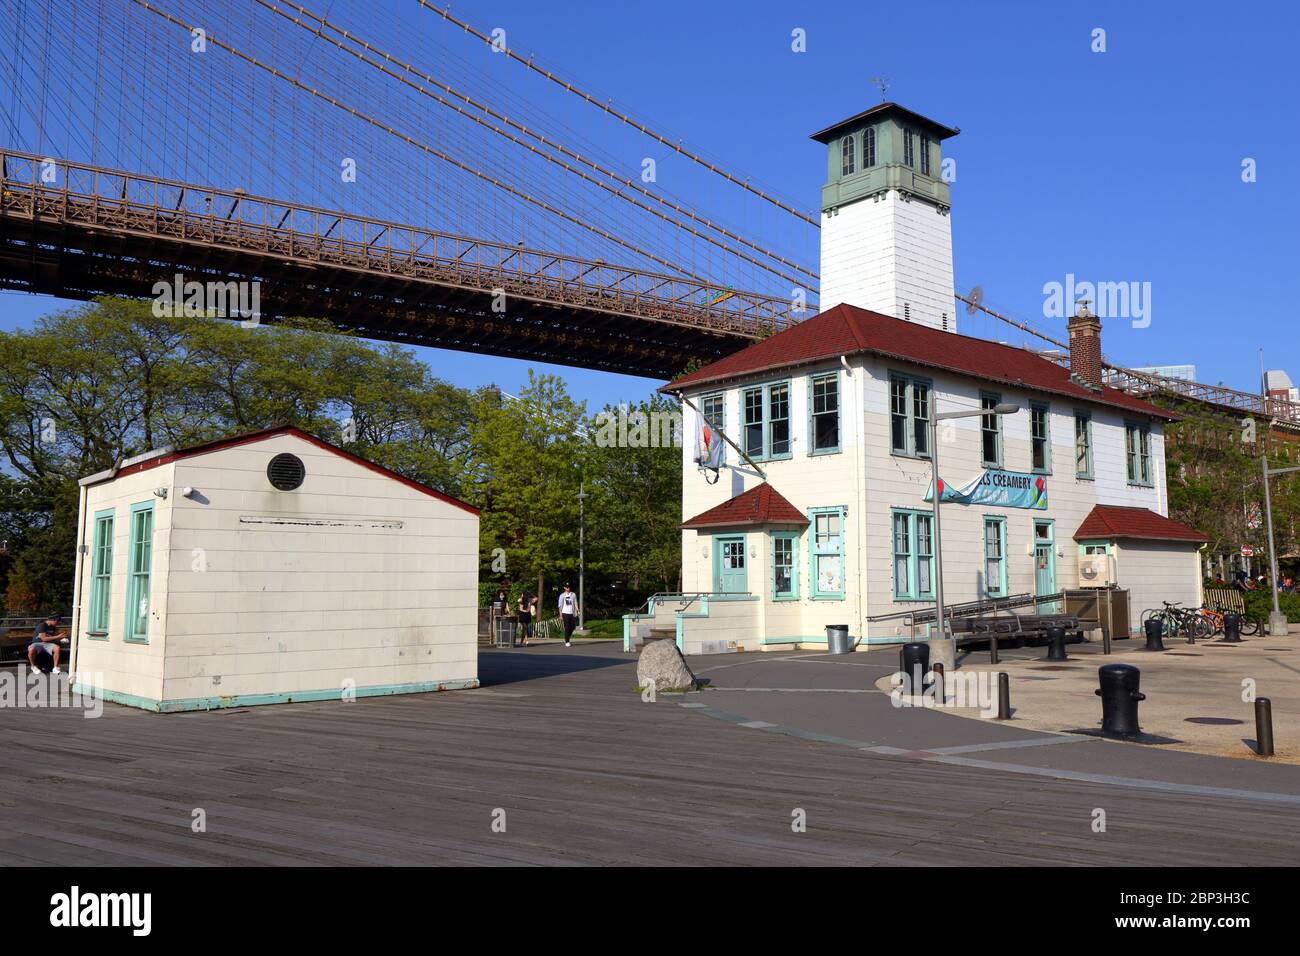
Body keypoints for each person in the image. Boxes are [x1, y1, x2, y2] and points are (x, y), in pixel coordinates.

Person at [558, 582, 580, 648]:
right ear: (564, 588)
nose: (568, 588)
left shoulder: (573, 594)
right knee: (567, 627)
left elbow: (575, 603)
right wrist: (561, 615)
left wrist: (578, 610)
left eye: (569, 587)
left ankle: (567, 637)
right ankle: (567, 641)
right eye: (567, 587)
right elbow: (560, 606)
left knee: (573, 627)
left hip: (572, 613)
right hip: (565, 613)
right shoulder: (562, 595)